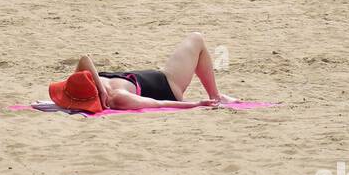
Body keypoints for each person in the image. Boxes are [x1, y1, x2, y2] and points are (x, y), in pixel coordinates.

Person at [49, 32, 237, 112]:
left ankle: (217, 94)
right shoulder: (117, 98)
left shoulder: (83, 81)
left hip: (159, 74)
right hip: (169, 85)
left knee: (196, 38)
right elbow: (157, 104)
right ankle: (215, 96)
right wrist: (196, 104)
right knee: (197, 39)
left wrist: (99, 87)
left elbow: (84, 59)